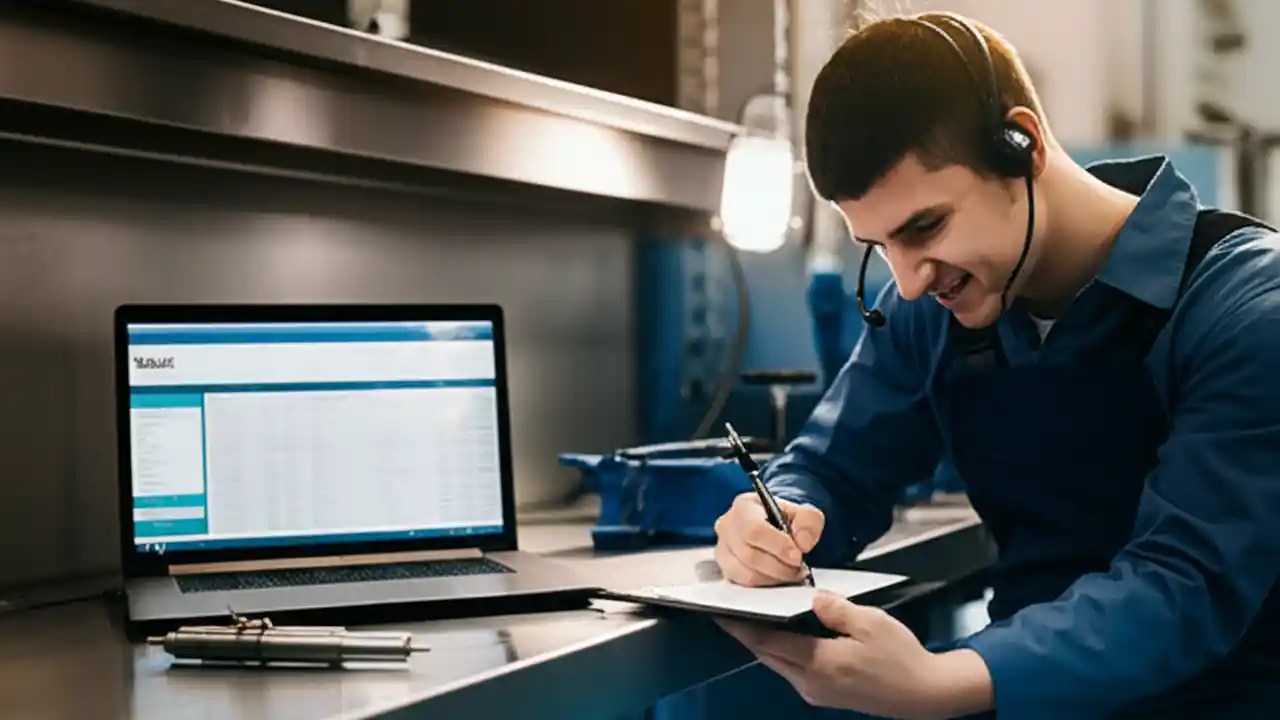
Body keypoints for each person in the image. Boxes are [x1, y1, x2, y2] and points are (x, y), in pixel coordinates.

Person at [712, 10, 1280, 720]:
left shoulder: (1250, 306)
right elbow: (833, 467)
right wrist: (780, 517)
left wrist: (945, 681)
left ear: (1024, 145)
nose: (911, 280)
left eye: (925, 227)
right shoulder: (933, 307)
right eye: (879, 245)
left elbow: (1185, 584)